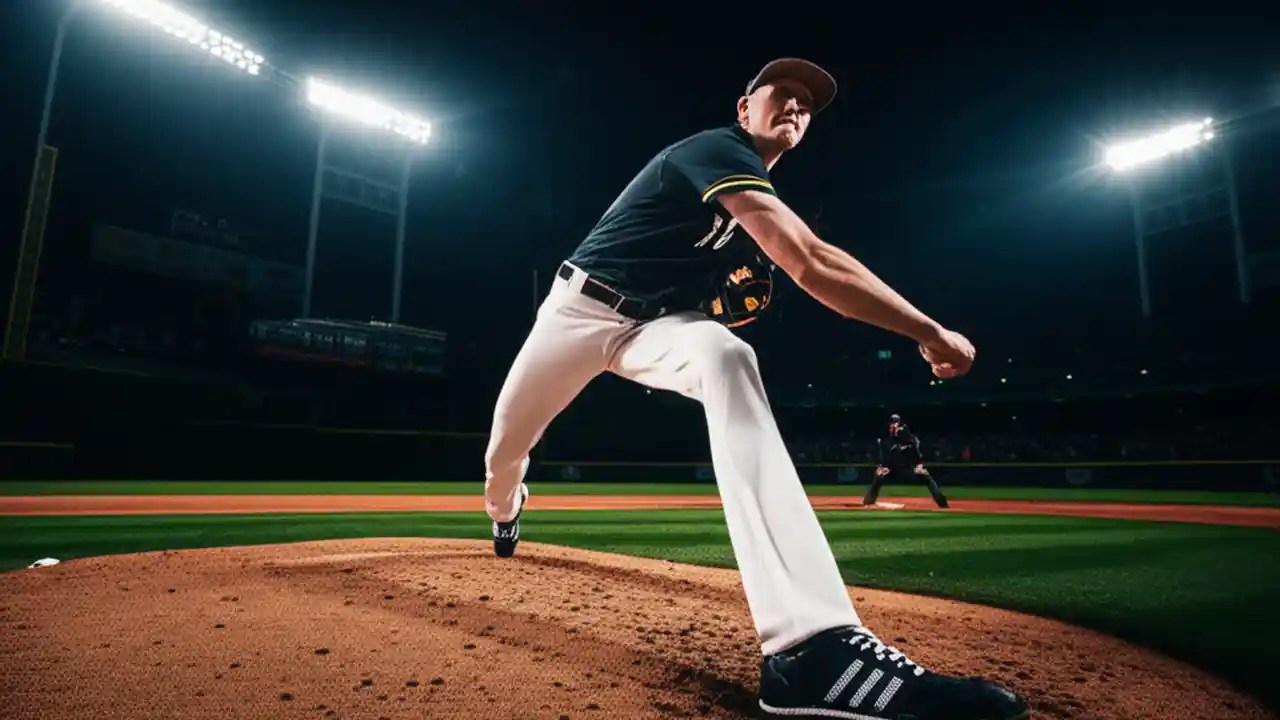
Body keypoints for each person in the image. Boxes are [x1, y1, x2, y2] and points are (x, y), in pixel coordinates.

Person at [483, 58, 1028, 720]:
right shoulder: (716, 150)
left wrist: (714, 303)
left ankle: (809, 646)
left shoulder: (741, 214)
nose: (796, 106)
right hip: (577, 315)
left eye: (807, 105)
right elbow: (812, 261)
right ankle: (506, 510)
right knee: (506, 447)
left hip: (650, 328)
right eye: (783, 94)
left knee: (727, 355)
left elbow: (727, 286)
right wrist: (932, 331)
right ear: (744, 110)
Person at [864, 414, 950, 508]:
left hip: (909, 470)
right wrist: (883, 467)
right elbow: (885, 459)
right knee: (878, 475)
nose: (893, 426)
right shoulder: (886, 442)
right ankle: (868, 502)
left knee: (926, 476)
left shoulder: (911, 439)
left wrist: (919, 467)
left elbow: (918, 458)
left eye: (896, 423)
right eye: (892, 423)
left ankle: (943, 504)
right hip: (892, 471)